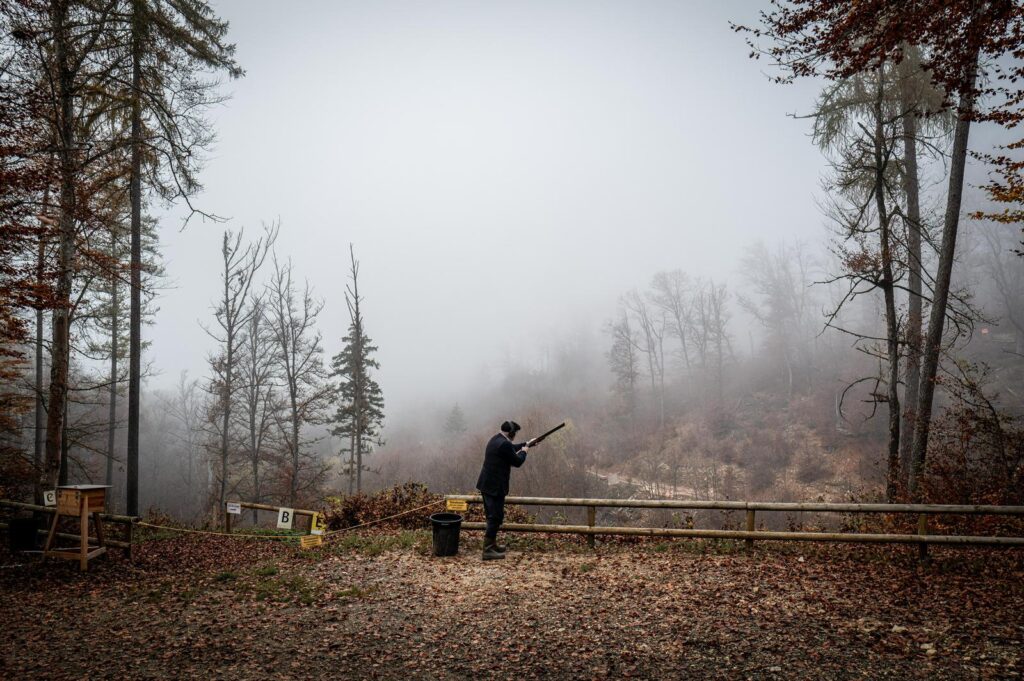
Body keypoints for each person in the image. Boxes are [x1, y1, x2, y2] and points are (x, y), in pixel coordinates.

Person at [475, 420, 535, 561]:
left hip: (489, 485)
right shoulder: (504, 444)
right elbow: (517, 461)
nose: (515, 436)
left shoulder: (497, 439)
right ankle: (488, 550)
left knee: (496, 516)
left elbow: (511, 448)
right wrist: (525, 452)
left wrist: (527, 444)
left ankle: (492, 545)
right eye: (515, 433)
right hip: (494, 487)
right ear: (512, 432)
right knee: (494, 517)